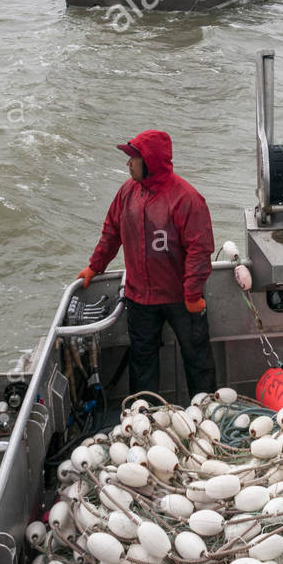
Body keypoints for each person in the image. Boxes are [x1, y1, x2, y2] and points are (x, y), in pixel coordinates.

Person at [77, 130, 217, 398]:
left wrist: (192, 294)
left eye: (133, 158)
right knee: (142, 362)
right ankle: (143, 415)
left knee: (198, 357)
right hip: (139, 298)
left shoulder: (187, 198)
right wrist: (95, 266)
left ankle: (207, 409)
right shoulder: (127, 192)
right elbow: (111, 232)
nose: (128, 163)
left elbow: (200, 250)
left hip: (181, 298)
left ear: (150, 161)